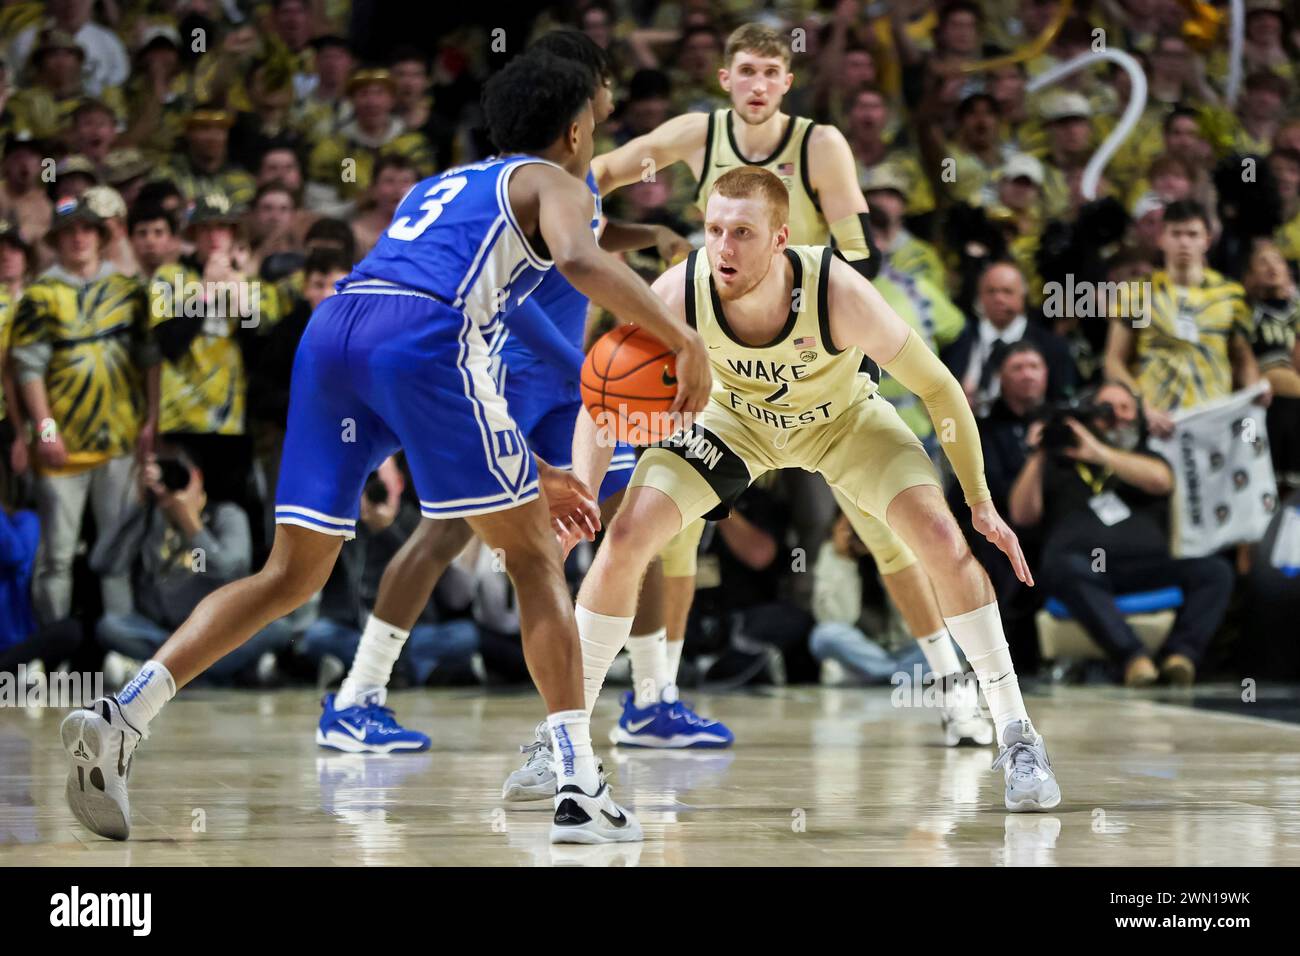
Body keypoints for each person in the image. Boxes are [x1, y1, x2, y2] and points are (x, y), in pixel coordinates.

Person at [59, 49, 710, 845]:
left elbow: (438, 375)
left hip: (337, 333)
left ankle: (125, 713)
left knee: (288, 575)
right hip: (422, 338)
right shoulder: (556, 183)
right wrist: (680, 339)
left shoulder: (439, 184)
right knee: (537, 559)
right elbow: (575, 262)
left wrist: (533, 469)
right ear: (576, 131)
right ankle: (580, 786)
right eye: (598, 122)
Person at [571, 166, 1059, 811]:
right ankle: (565, 739)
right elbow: (601, 395)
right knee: (627, 536)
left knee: (943, 541)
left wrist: (981, 501)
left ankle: (1017, 734)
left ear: (780, 239)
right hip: (732, 425)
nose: (722, 248)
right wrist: (582, 489)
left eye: (741, 233)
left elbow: (937, 387)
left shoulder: (835, 290)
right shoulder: (679, 289)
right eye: (714, 230)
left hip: (842, 422)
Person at [311, 31, 707, 801]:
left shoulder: (574, 177)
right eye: (605, 87)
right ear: (577, 98)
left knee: (636, 522)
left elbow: (591, 237)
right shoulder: (533, 180)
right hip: (517, 376)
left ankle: (652, 699)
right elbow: (521, 298)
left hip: (576, 385)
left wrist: (646, 233)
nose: (612, 100)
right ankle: (360, 694)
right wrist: (585, 365)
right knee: (446, 532)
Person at [589, 22, 993, 750]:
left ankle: (953, 688)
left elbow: (858, 251)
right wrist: (560, 211)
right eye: (744, 71)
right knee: (667, 526)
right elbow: (604, 171)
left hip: (816, 354)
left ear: (786, 82)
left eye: (770, 74)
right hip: (723, 360)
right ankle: (654, 698)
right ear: (725, 78)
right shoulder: (694, 134)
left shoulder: (820, 145)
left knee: (887, 532)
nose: (756, 86)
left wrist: (821, 309)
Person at [1008, 381, 1234, 686]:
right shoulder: (1058, 461)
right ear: (1090, 417)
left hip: (1146, 567)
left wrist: (1099, 452)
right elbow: (1022, 515)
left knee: (1215, 572)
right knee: (1060, 565)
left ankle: (1180, 656)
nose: (1117, 416)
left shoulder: (1147, 456)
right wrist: (1039, 454)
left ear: (1139, 417)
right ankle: (1133, 658)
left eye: (1126, 408)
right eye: (1106, 409)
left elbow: (1162, 481)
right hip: (1082, 570)